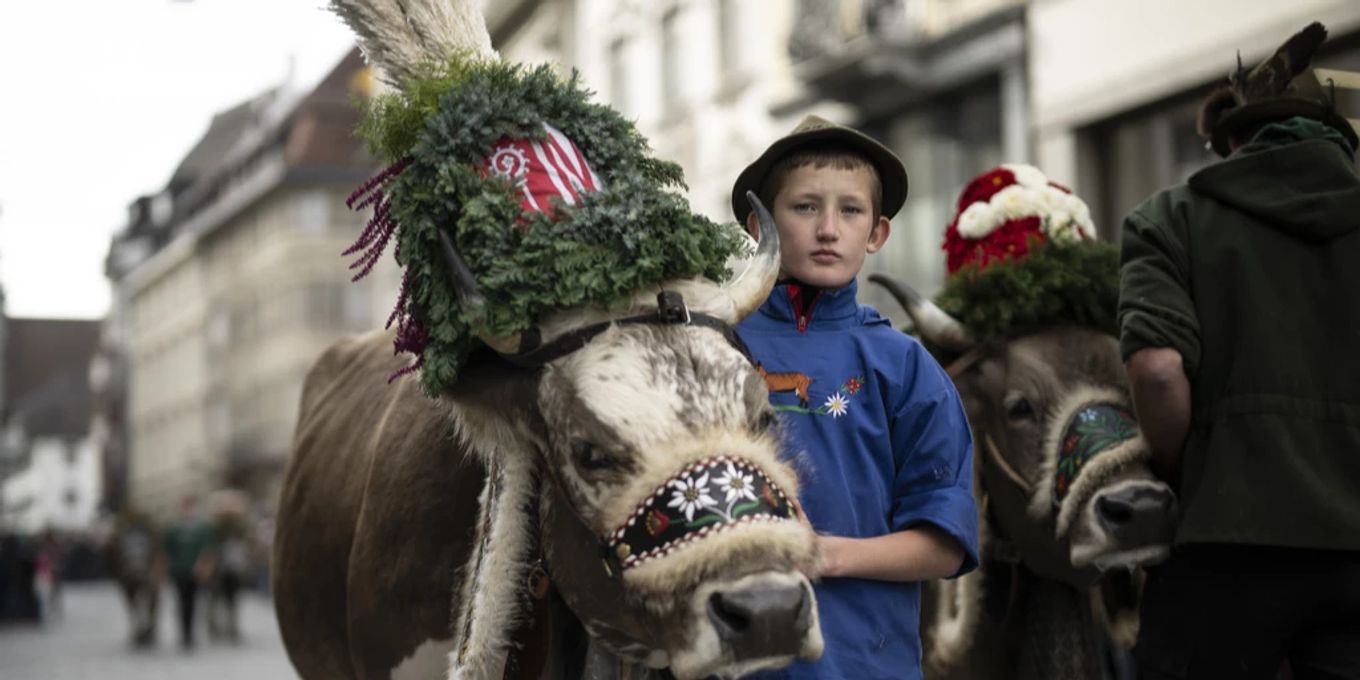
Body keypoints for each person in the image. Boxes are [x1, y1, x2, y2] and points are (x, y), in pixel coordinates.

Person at [1117, 22, 1360, 680]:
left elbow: (1158, 371)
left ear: (1232, 140)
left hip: (1226, 540)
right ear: (1337, 137)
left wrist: (1188, 466)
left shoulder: (1170, 218)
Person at [730, 115, 979, 679]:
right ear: (757, 225)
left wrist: (824, 554)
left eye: (850, 211)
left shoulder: (905, 365)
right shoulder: (715, 347)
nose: (827, 229)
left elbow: (944, 544)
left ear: (877, 233)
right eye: (804, 207)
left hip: (865, 664)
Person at [163, 495, 216, 650]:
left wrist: (204, 567)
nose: (188, 511)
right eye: (185, 507)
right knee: (181, 603)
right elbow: (168, 551)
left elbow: (208, 549)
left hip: (195, 572)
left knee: (192, 603)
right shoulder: (174, 528)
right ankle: (183, 633)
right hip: (179, 571)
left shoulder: (202, 528)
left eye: (190, 507)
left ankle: (190, 633)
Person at [107, 507, 163, 648]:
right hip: (128, 574)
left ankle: (147, 628)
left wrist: (156, 571)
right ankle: (141, 629)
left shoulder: (149, 533)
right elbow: (113, 555)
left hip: (146, 573)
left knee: (148, 603)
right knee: (135, 605)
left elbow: (158, 551)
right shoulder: (121, 533)